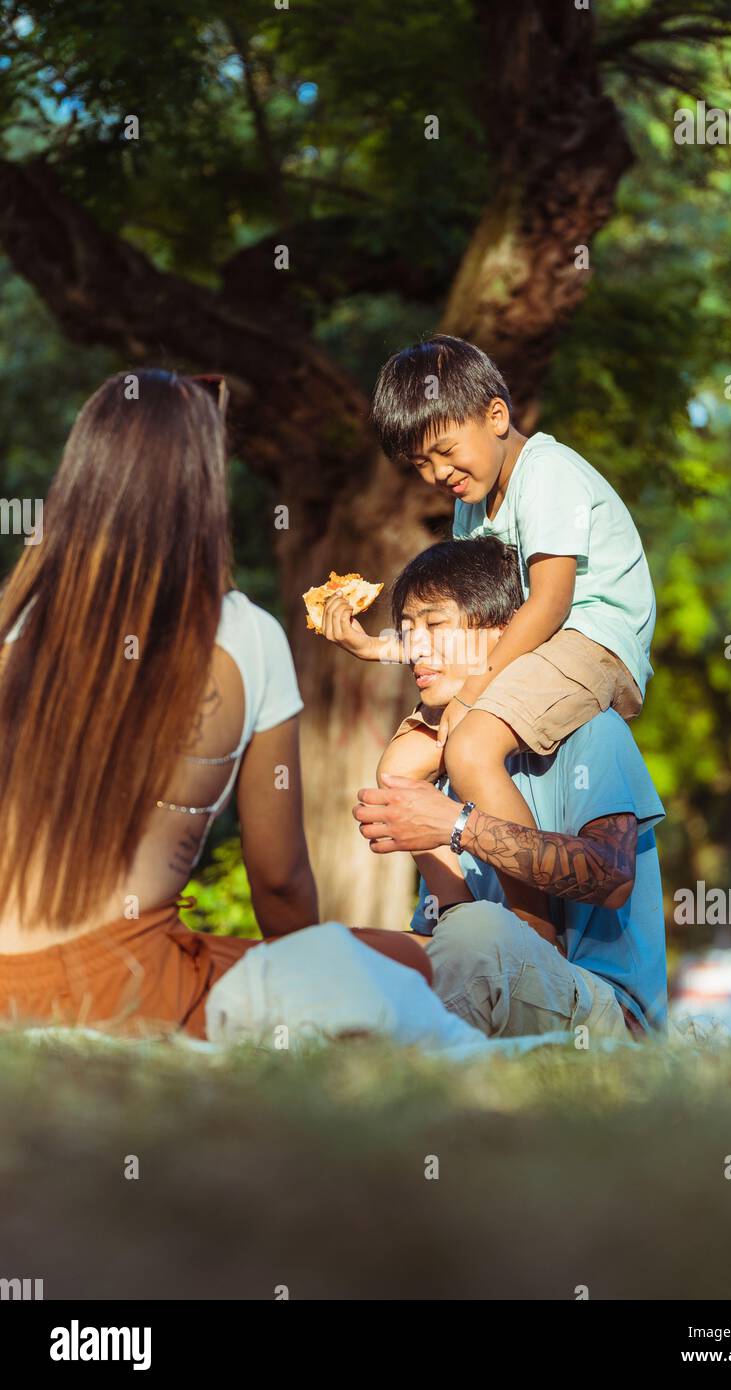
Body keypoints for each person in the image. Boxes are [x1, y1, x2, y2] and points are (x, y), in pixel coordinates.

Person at [0, 369, 430, 1039]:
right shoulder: (241, 633)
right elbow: (280, 879)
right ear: (204, 486)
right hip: (128, 983)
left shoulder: (13, 623)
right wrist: (317, 981)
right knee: (413, 962)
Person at [322, 333, 656, 940]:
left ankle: (534, 932)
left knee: (471, 746)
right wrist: (374, 647)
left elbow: (551, 601)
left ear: (496, 415)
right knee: (400, 767)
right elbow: (476, 615)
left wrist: (474, 693)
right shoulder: (472, 505)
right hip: (532, 641)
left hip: (590, 638)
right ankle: (457, 921)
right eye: (422, 463)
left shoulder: (546, 472)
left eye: (446, 452)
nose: (438, 473)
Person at [352, 537, 668, 1043]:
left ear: (506, 635)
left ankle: (400, 1079)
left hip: (606, 1018)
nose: (416, 649)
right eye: (407, 632)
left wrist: (457, 826)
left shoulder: (593, 731)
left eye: (435, 626)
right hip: (500, 981)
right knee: (345, 951)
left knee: (480, 932)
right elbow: (450, 940)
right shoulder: (445, 763)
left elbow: (611, 879)